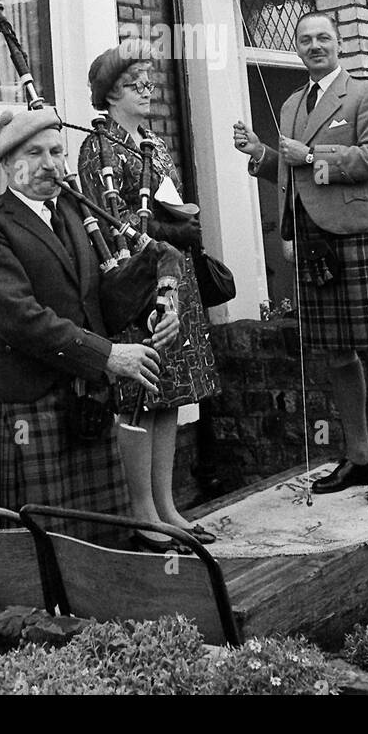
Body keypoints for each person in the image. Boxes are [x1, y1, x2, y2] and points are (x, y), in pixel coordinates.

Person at [0, 105, 177, 537]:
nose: (49, 164)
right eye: (34, 153)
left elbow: (96, 302)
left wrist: (152, 306)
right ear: (8, 164)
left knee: (98, 540)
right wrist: (108, 355)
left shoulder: (73, 216)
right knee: (33, 550)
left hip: (83, 399)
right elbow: (20, 320)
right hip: (26, 404)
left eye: (56, 152)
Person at [233, 11, 368, 504]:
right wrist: (261, 154)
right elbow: (291, 174)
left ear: (338, 44)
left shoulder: (366, 93)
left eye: (323, 38)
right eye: (306, 40)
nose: (315, 46)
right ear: (297, 48)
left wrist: (313, 157)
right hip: (313, 239)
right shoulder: (292, 103)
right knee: (336, 353)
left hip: (358, 236)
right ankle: (359, 458)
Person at [77, 40, 221, 549]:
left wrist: (179, 228)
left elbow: (168, 201)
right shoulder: (98, 147)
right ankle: (142, 513)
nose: (146, 89)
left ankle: (166, 506)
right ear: (109, 94)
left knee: (169, 394)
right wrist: (166, 232)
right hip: (137, 280)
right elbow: (112, 221)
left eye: (148, 81)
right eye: (133, 83)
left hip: (175, 276)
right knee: (139, 395)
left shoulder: (153, 143)